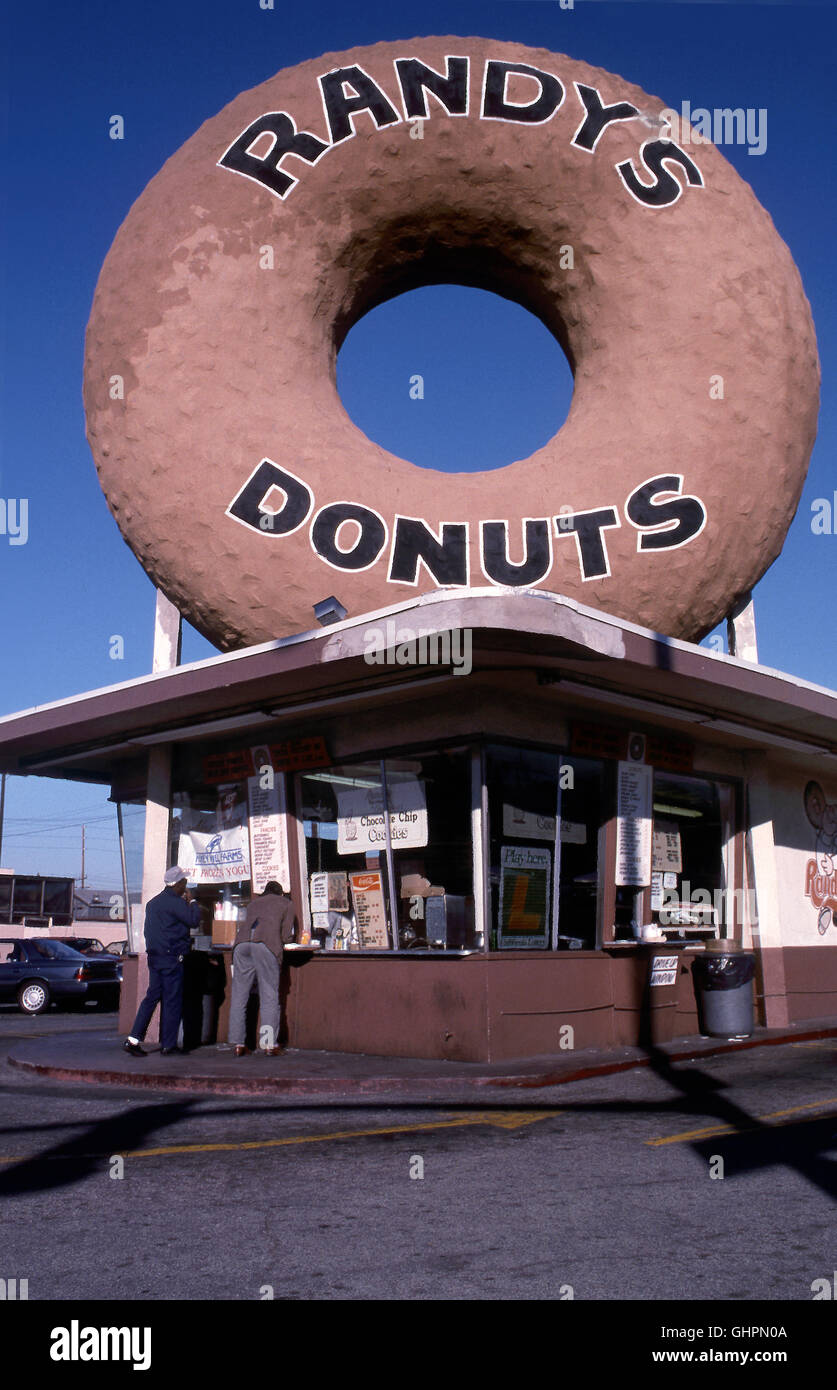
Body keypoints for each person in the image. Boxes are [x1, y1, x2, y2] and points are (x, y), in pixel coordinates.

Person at [123, 867, 201, 1056]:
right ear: (179, 884)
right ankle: (168, 1045)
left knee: (152, 997)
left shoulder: (153, 903)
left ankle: (133, 1039)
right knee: (172, 1001)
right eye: (184, 882)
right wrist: (193, 901)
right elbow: (194, 921)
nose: (186, 886)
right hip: (172, 957)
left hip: (155, 956)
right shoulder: (176, 903)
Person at [229, 881, 297, 1057]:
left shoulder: (253, 903)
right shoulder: (286, 904)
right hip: (266, 946)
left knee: (239, 996)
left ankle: (238, 1044)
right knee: (269, 996)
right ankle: (268, 1044)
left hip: (241, 945)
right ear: (281, 893)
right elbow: (286, 936)